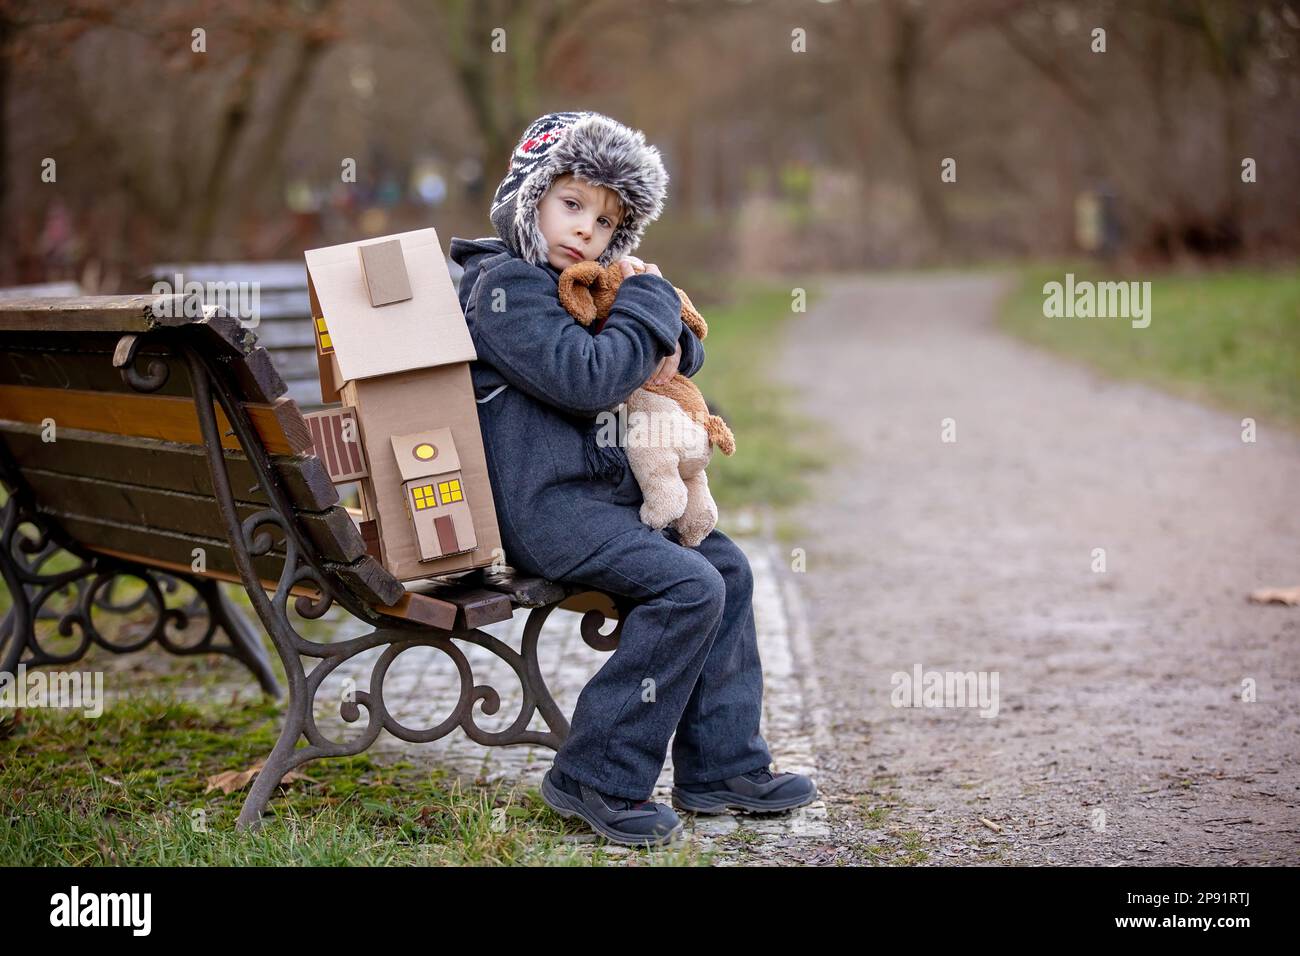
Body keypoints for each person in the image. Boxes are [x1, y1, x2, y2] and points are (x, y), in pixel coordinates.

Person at [448, 111, 816, 847]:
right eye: (571, 204)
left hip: (601, 500)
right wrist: (650, 302)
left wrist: (655, 310)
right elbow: (588, 378)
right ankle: (596, 774)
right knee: (688, 585)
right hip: (543, 509)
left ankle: (721, 765)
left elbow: (671, 361)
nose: (586, 230)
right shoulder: (504, 290)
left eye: (607, 220)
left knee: (726, 569)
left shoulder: (572, 286)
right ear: (529, 199)